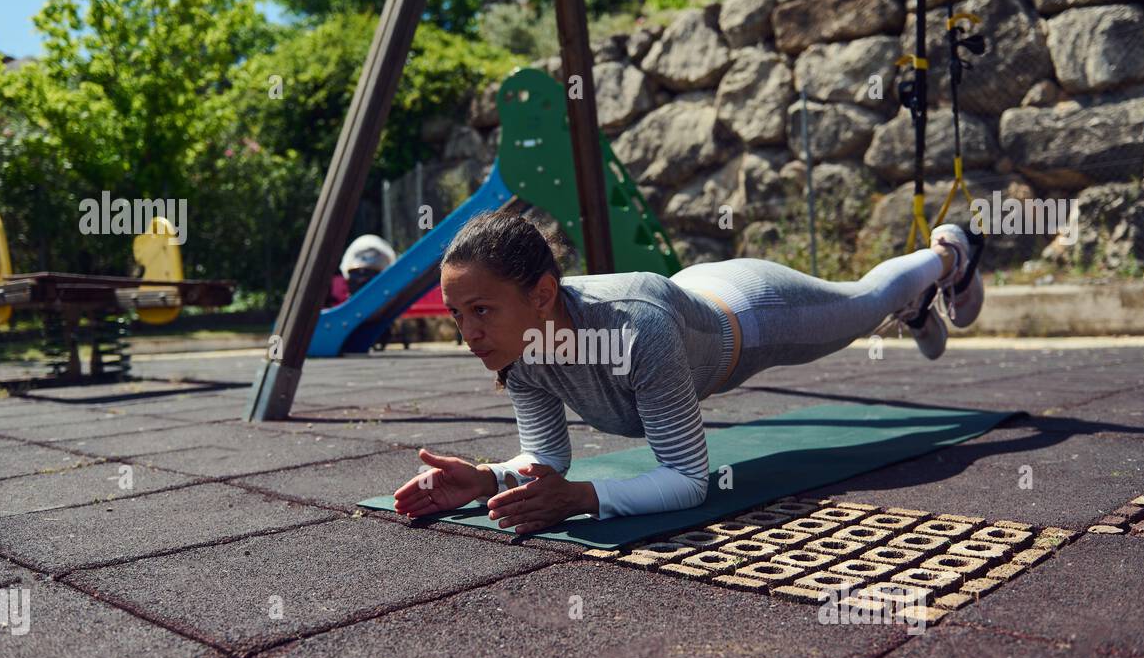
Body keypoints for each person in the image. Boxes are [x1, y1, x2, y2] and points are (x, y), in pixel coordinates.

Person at [393, 210, 983, 534]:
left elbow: (686, 479)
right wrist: (490, 478)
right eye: (456, 315)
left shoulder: (634, 331)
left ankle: (950, 254)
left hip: (755, 313)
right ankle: (913, 303)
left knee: (860, 302)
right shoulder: (519, 350)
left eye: (481, 311)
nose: (467, 334)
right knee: (868, 308)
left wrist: (580, 500)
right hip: (688, 302)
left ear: (543, 294)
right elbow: (547, 460)